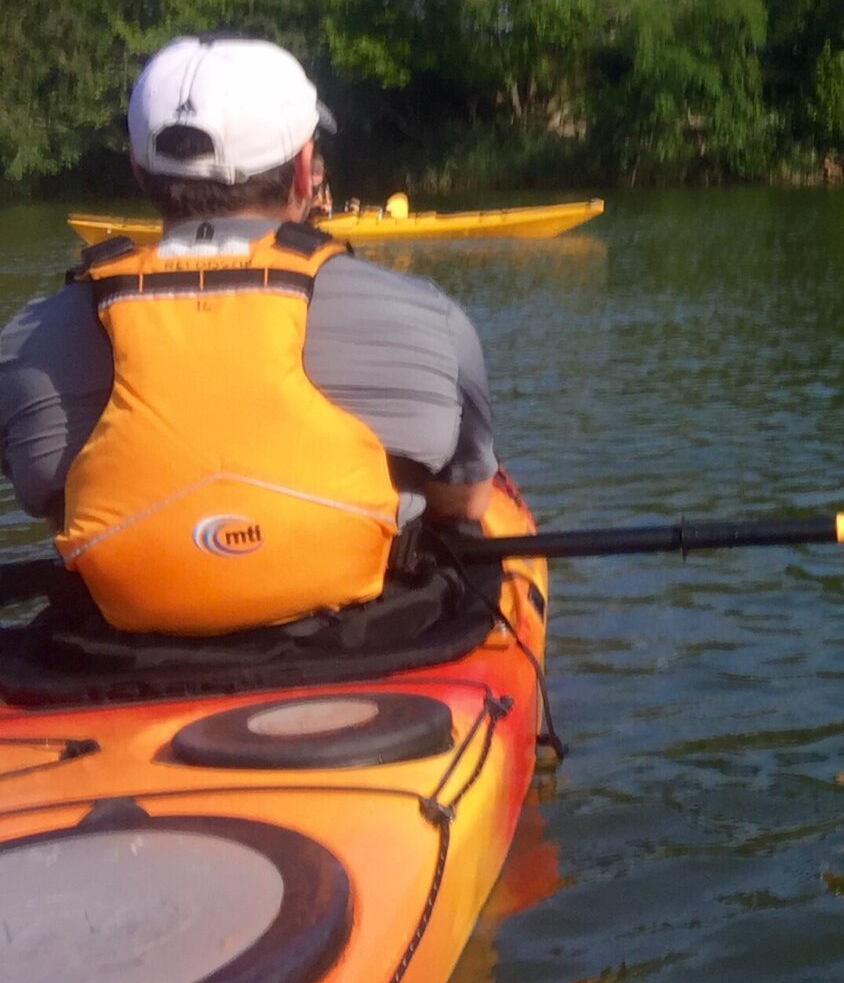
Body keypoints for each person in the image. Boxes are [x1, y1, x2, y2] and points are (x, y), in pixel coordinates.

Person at [0, 36, 498, 637]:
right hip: (362, 647)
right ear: (302, 169)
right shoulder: (427, 316)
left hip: (119, 659)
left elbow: (44, 499)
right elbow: (468, 502)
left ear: (138, 170)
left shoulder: (24, 344)